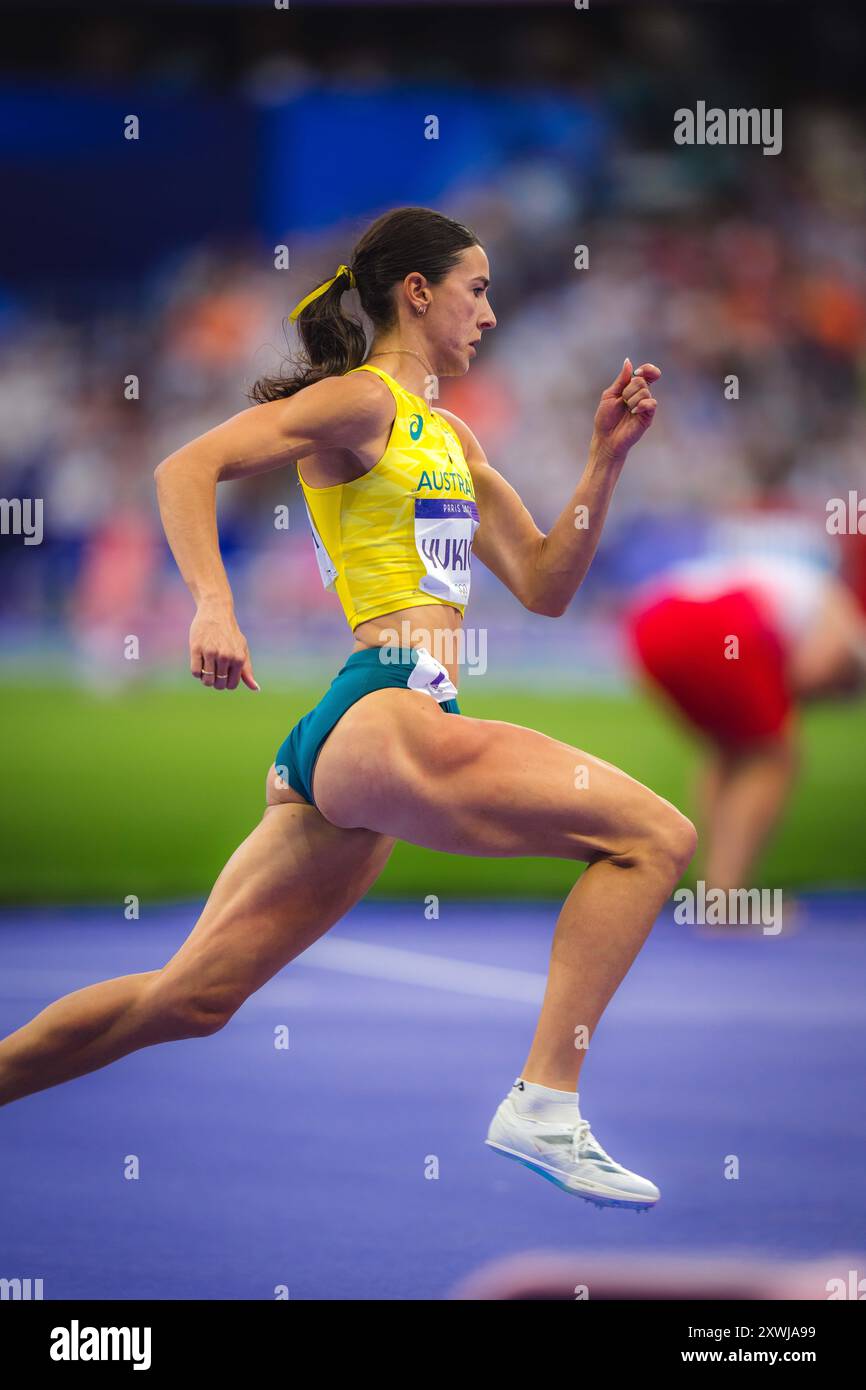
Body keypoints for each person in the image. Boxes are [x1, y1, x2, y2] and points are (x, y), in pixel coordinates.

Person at [0, 206, 695, 1211]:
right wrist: (212, 604)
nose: (490, 315)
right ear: (417, 291)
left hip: (368, 732)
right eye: (477, 289)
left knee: (188, 1000)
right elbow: (183, 466)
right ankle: (543, 1104)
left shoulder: (448, 434)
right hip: (387, 704)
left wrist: (605, 460)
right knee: (651, 837)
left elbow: (544, 584)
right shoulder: (358, 402)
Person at [627, 550, 866, 899]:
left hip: (653, 621)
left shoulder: (796, 581)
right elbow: (813, 672)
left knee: (728, 750)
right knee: (774, 757)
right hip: (723, 622)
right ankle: (727, 897)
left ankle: (711, 887)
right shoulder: (847, 624)